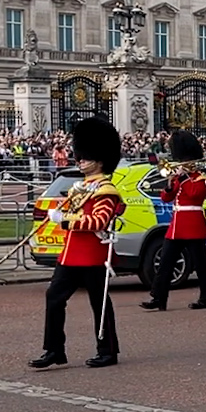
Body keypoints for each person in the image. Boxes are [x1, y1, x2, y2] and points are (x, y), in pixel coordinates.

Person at [33, 117, 124, 369]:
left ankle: (108, 350)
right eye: (80, 155)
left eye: (85, 156)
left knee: (100, 303)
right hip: (72, 253)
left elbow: (99, 221)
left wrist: (66, 220)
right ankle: (54, 349)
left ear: (100, 159)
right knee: (54, 297)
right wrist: (61, 212)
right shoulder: (80, 187)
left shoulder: (106, 190)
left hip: (93, 253)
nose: (80, 159)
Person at [141, 129, 206, 312]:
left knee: (200, 263)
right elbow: (166, 198)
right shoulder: (179, 177)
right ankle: (158, 298)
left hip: (193, 224)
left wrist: (184, 177)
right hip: (177, 225)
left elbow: (195, 195)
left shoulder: (201, 178)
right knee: (165, 262)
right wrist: (171, 182)